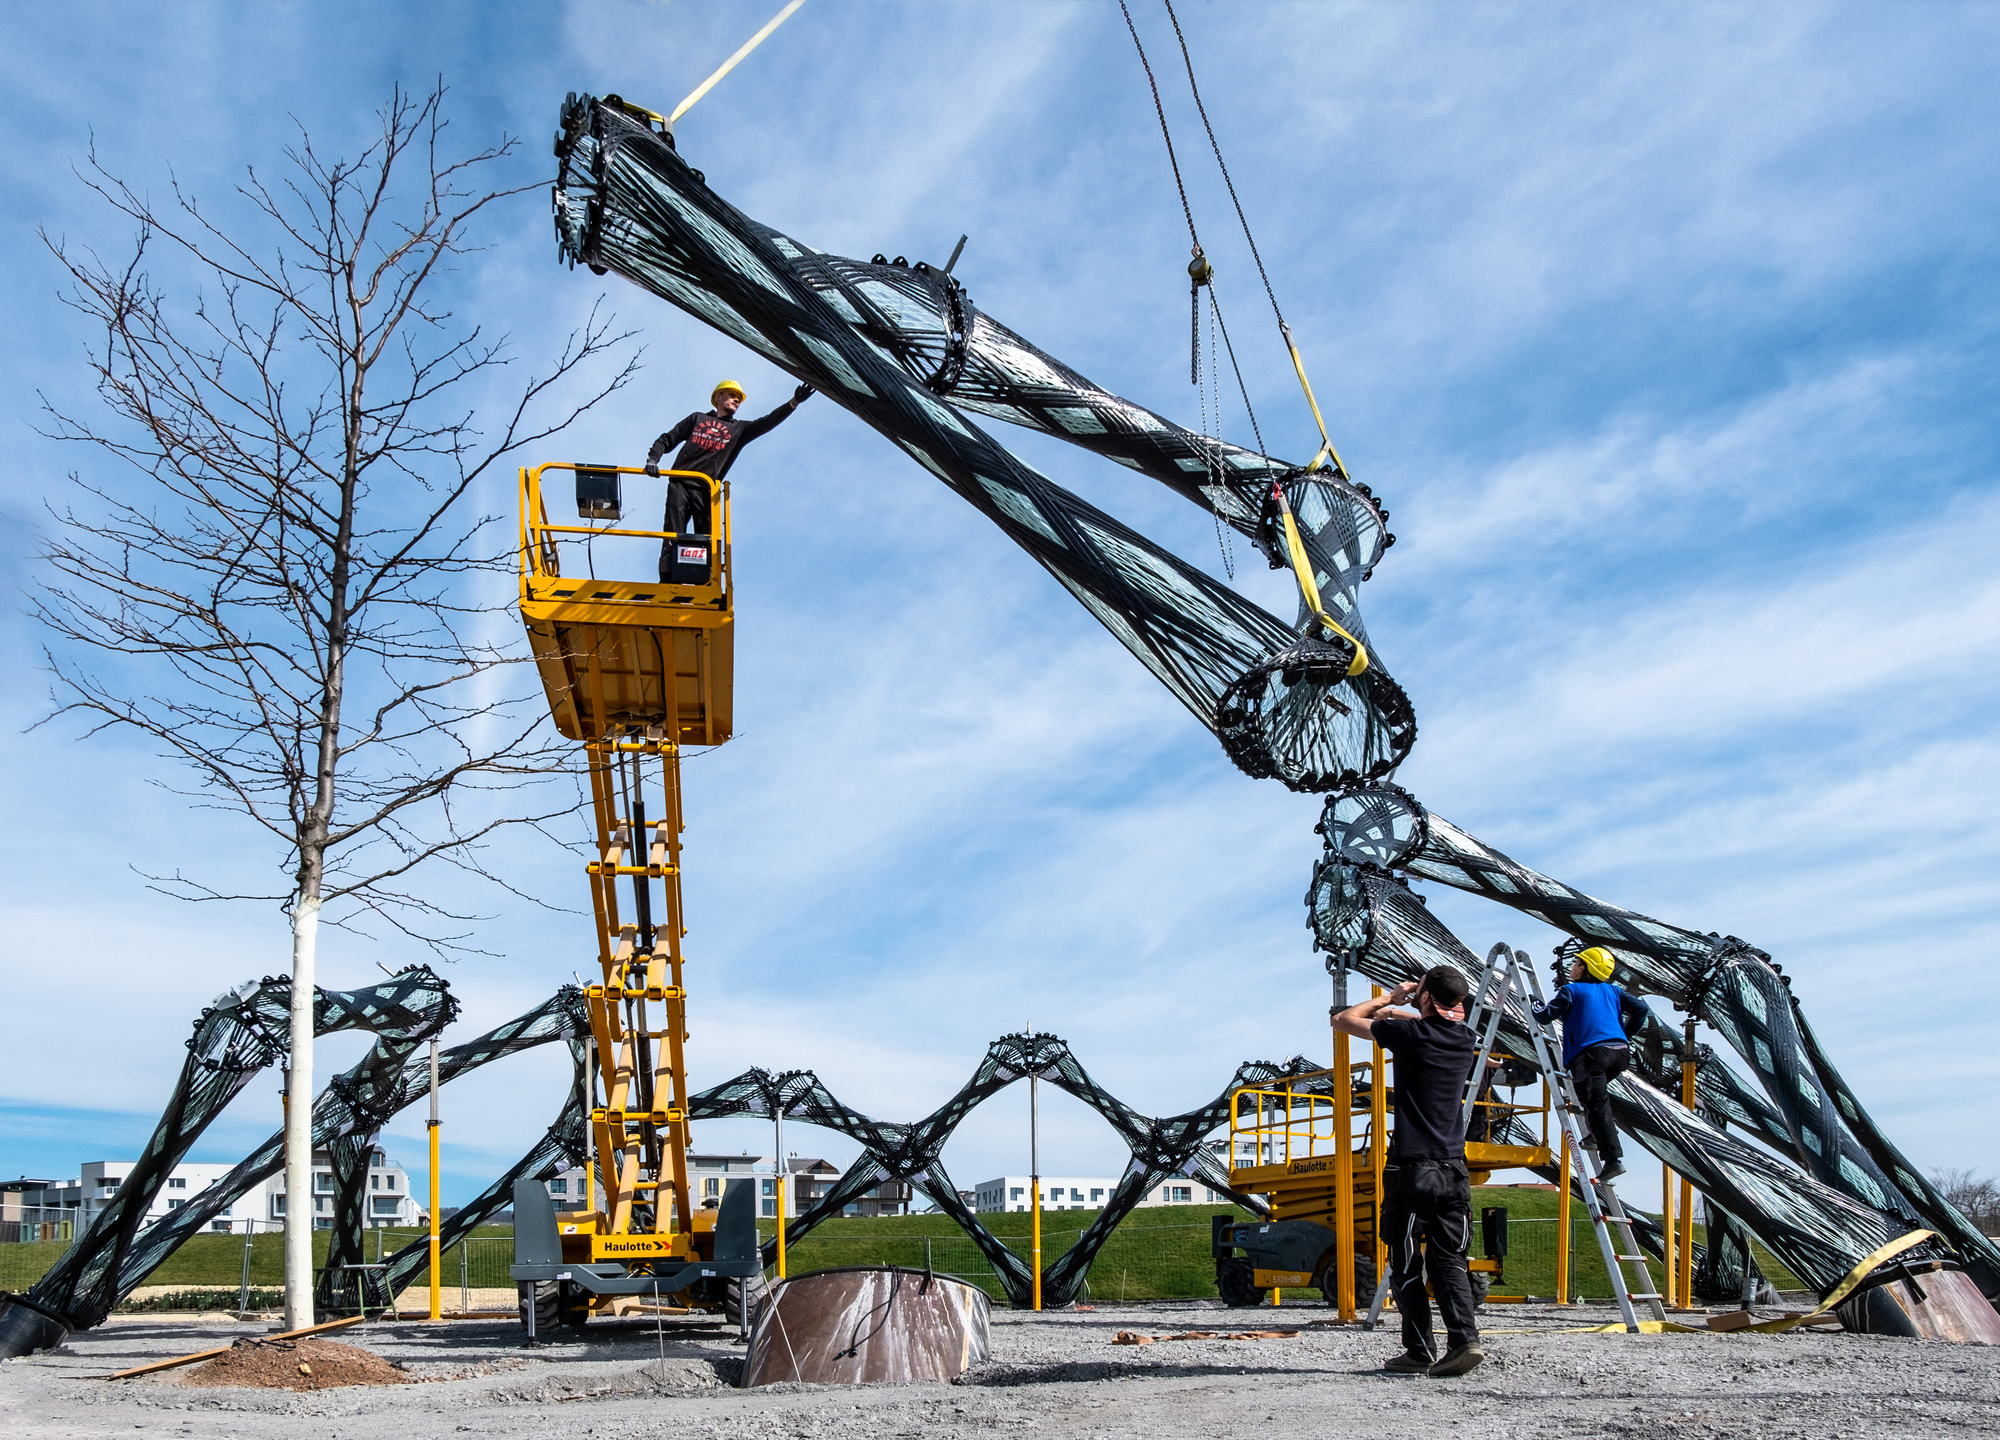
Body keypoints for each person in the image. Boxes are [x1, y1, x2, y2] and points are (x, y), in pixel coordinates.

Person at [1332, 965, 1484, 1378]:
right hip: (1455, 1169)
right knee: (1450, 1260)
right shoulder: (1464, 1038)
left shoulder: (1411, 1035)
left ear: (1425, 997)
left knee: (1404, 1258)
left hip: (1412, 1167)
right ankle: (1464, 1341)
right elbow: (1431, 1019)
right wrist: (1409, 1008)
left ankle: (1419, 1350)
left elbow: (1343, 1020)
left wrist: (1387, 1000)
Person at [644, 379, 814, 581]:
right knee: (673, 534)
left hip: (707, 489)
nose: (736, 400)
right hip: (680, 483)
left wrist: (793, 403)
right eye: (732, 395)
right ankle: (667, 579)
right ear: (718, 397)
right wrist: (652, 460)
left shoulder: (739, 430)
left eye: (739, 398)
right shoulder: (697, 419)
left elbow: (767, 421)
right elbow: (667, 439)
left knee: (706, 537)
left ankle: (705, 581)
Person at [1530, 946, 1651, 1183]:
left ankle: (1612, 1159)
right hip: (1620, 1054)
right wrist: (1624, 1035)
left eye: (1576, 963)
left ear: (1583, 968)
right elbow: (1642, 1009)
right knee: (1591, 1096)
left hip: (1592, 1054)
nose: (1572, 967)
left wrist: (1534, 1002)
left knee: (1596, 1103)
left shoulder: (1571, 990)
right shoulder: (1613, 991)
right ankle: (1595, 1136)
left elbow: (1544, 1016)